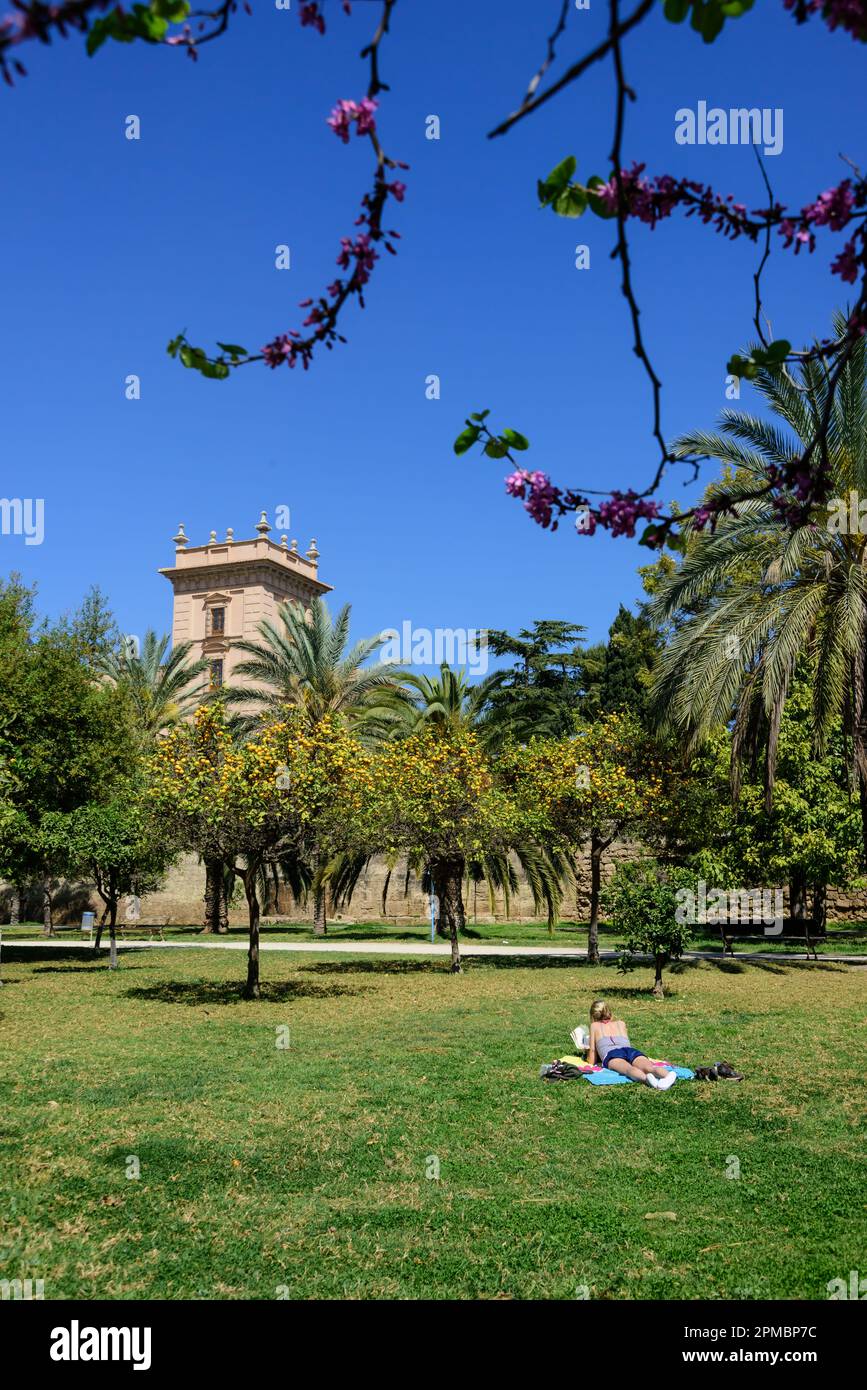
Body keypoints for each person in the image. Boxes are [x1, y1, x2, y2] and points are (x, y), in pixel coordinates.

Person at [587, 999, 677, 1091]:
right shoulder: (621, 1024)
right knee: (649, 1067)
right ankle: (668, 1075)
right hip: (630, 1050)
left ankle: (647, 1079)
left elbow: (592, 1056)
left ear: (593, 1016)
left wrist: (587, 1054)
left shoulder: (594, 1026)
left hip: (612, 1054)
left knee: (628, 1069)